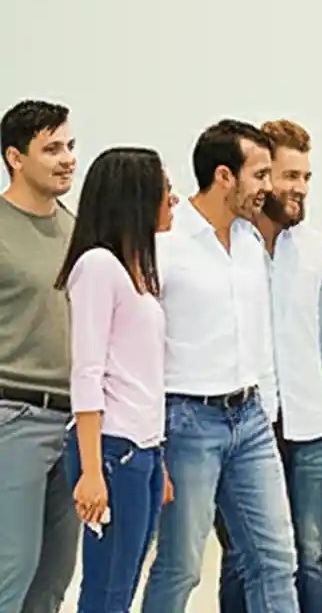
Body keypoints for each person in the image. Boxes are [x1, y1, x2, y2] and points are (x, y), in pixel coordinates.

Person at [140, 119, 300, 613]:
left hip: (250, 419)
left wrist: (269, 417)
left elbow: (260, 341)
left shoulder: (251, 244)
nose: (268, 188)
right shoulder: (163, 244)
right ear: (224, 176)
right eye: (260, 175)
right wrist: (152, 437)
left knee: (276, 559)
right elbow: (139, 347)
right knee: (182, 565)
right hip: (187, 422)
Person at [215, 119, 322, 612]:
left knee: (309, 554)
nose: (298, 188)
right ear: (260, 176)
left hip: (312, 428)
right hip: (246, 427)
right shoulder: (230, 250)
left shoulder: (321, 253)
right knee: (240, 554)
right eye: (287, 176)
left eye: (306, 177)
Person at [54, 147, 179, 612]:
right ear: (137, 197)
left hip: (140, 451)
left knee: (122, 587)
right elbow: (87, 372)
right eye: (165, 189)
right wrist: (90, 470)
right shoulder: (97, 267)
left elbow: (140, 373)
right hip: (109, 452)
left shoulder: (138, 273)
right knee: (107, 590)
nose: (174, 199)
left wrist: (156, 456)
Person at [0, 99, 79, 613]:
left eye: (70, 145)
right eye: (52, 148)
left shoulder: (77, 227)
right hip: (13, 417)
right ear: (15, 157)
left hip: (72, 422)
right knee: (11, 571)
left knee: (52, 583)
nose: (67, 157)